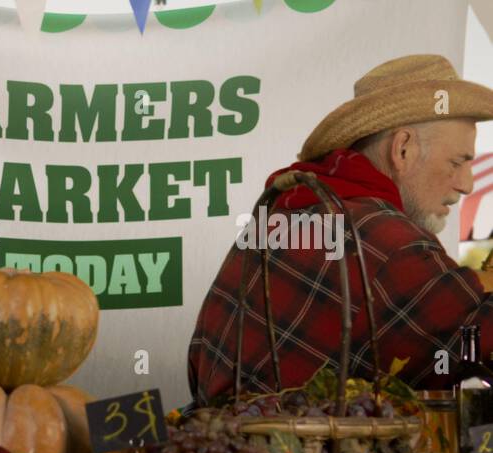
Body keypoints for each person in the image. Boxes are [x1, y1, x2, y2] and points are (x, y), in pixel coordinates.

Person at [188, 55, 493, 403]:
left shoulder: (283, 212)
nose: (466, 184)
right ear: (402, 149)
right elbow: (477, 337)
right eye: (457, 162)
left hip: (230, 445)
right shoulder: (387, 239)